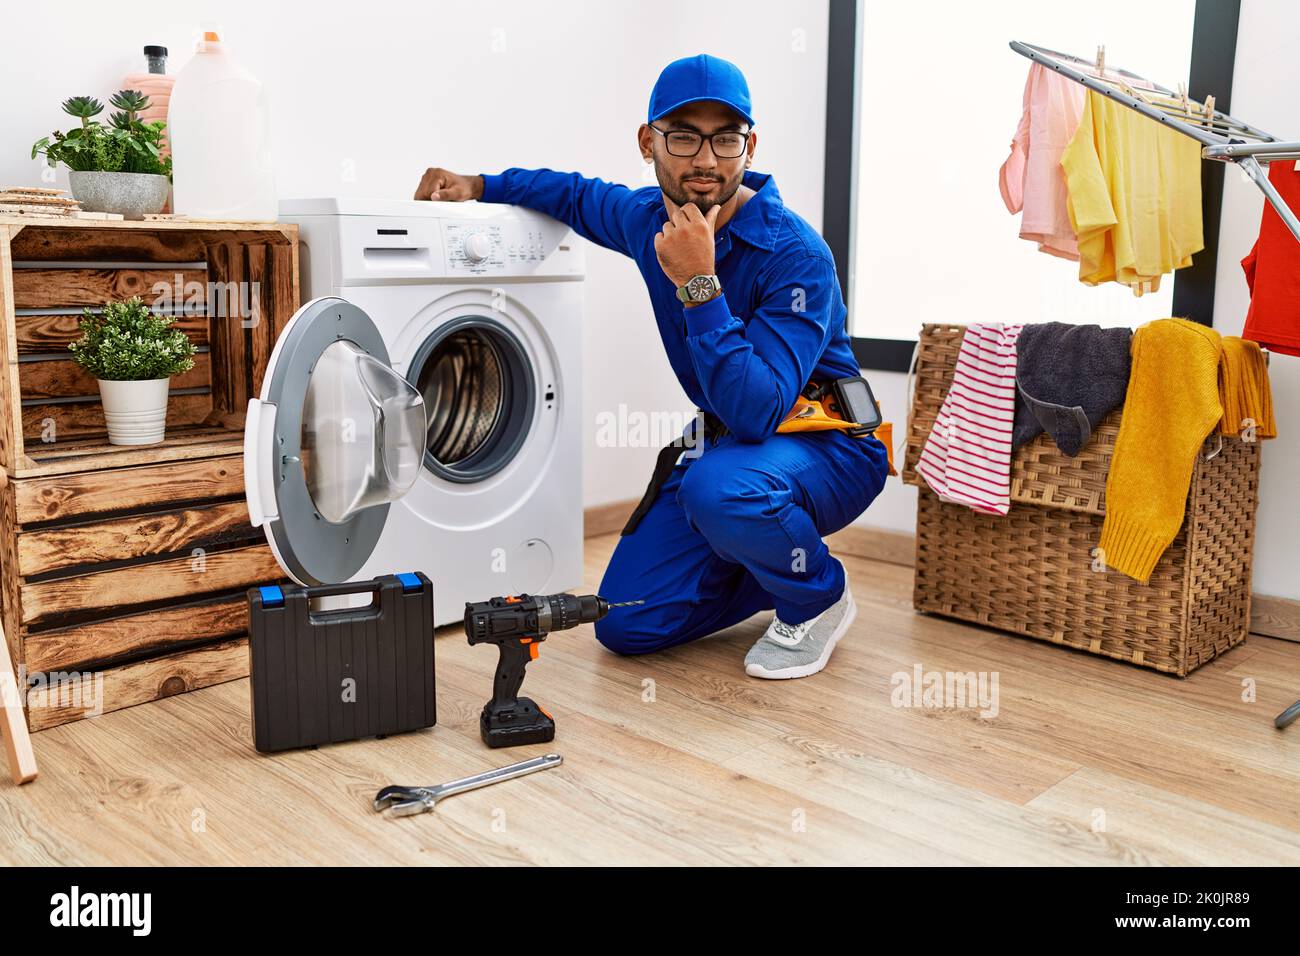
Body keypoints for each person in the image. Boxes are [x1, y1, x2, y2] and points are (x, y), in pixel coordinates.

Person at [415, 54, 890, 679]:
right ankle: (764, 559)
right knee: (627, 622)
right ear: (649, 143)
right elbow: (578, 195)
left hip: (828, 444)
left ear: (750, 144)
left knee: (719, 490)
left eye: (726, 138)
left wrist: (700, 284)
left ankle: (816, 596)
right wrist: (480, 184)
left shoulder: (796, 255)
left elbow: (756, 411)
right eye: (684, 136)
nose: (707, 160)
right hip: (734, 451)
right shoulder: (648, 222)